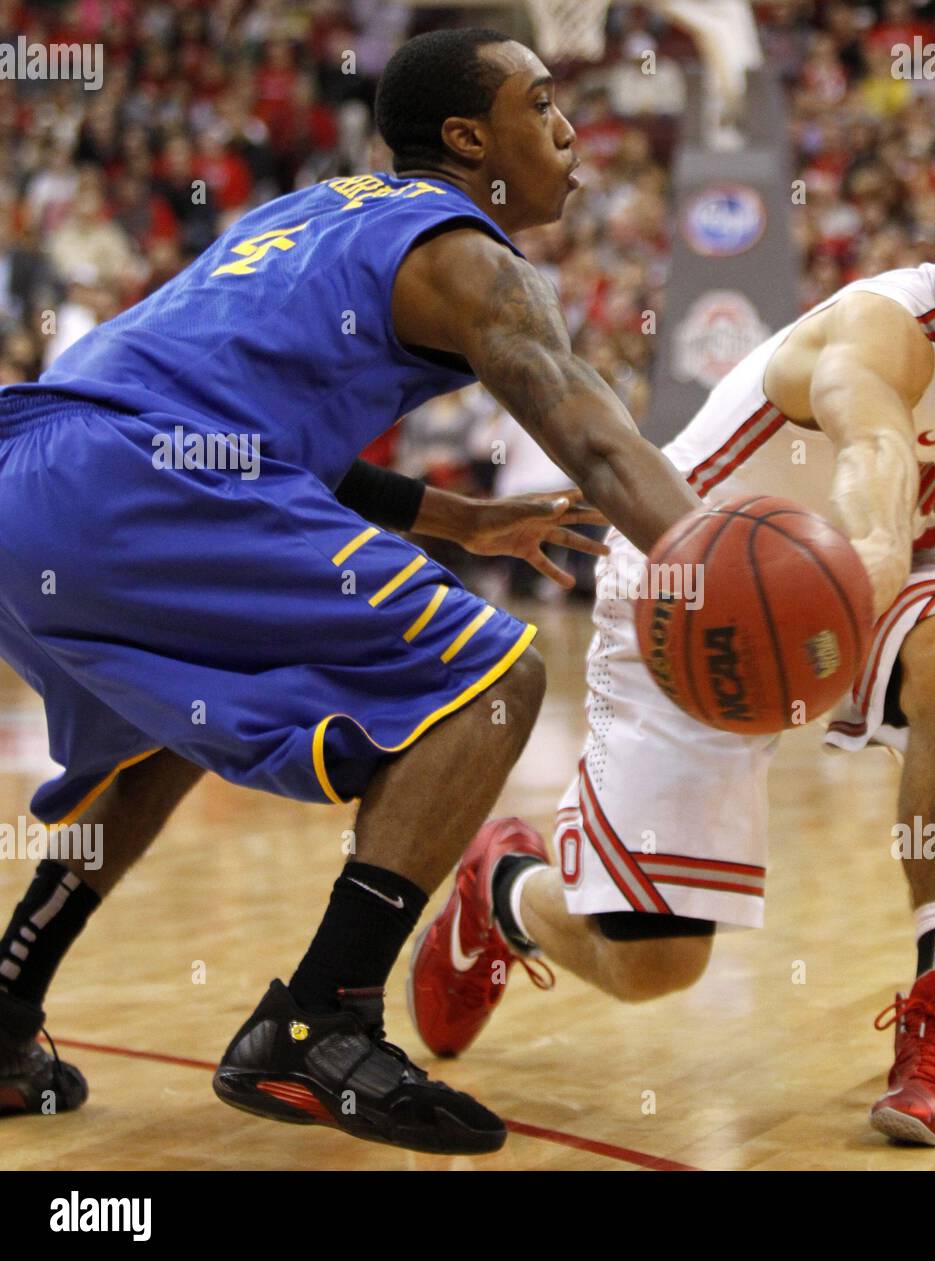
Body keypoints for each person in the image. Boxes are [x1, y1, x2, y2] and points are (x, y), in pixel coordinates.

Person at [410, 148, 935, 1147]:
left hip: (859, 577)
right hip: (691, 577)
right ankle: (505, 893)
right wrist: (870, 566)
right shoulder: (879, 323)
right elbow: (876, 462)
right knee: (655, 963)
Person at [0, 28, 701, 1155]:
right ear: (471, 140)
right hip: (138, 476)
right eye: (544, 102)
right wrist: (714, 560)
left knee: (156, 727)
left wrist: (459, 518)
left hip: (35, 474)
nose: (570, 129)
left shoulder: (302, 214)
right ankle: (318, 1018)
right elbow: (598, 442)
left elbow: (243, 426)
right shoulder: (472, 257)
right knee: (493, 675)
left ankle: (3, 1010)